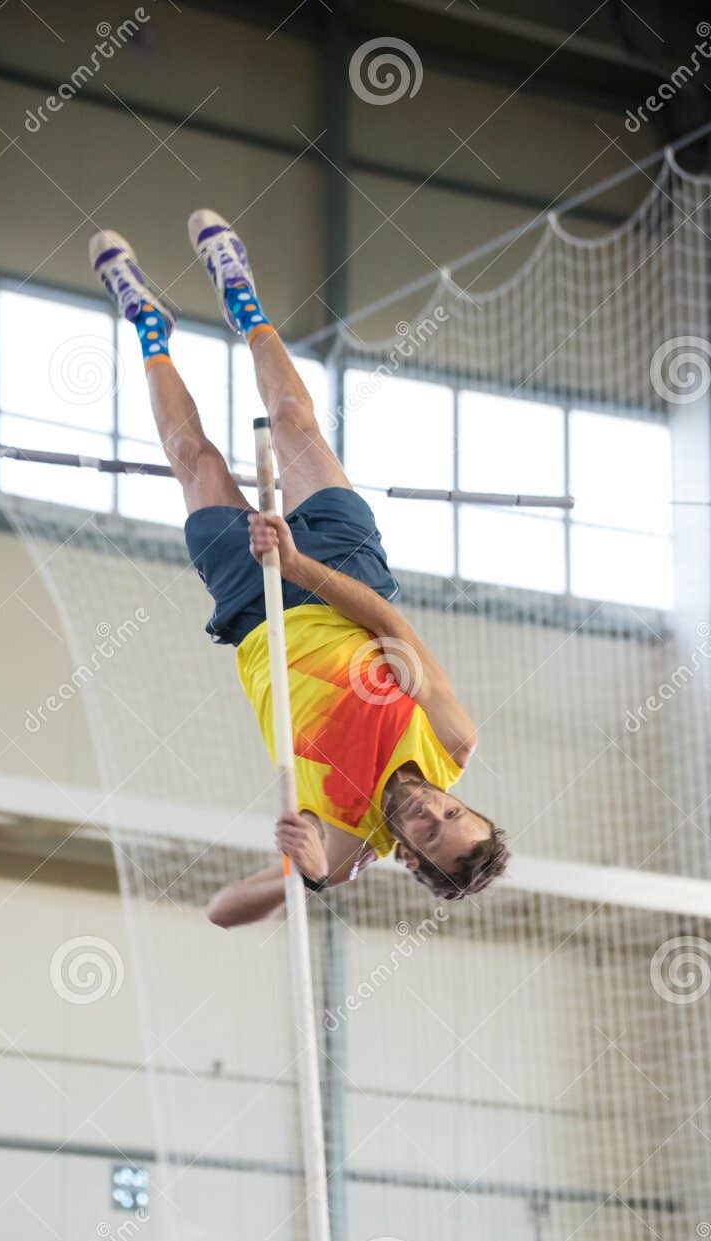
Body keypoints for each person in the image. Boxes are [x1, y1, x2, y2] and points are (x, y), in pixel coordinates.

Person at [89, 211, 508, 927]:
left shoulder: (345, 842)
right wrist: (294, 559)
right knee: (292, 421)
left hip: (253, 612)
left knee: (194, 459)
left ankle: (146, 325)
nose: (429, 808)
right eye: (452, 809)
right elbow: (384, 621)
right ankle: (241, 297)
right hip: (343, 573)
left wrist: (308, 878)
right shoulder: (449, 739)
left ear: (409, 858)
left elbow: (222, 911)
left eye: (430, 830)